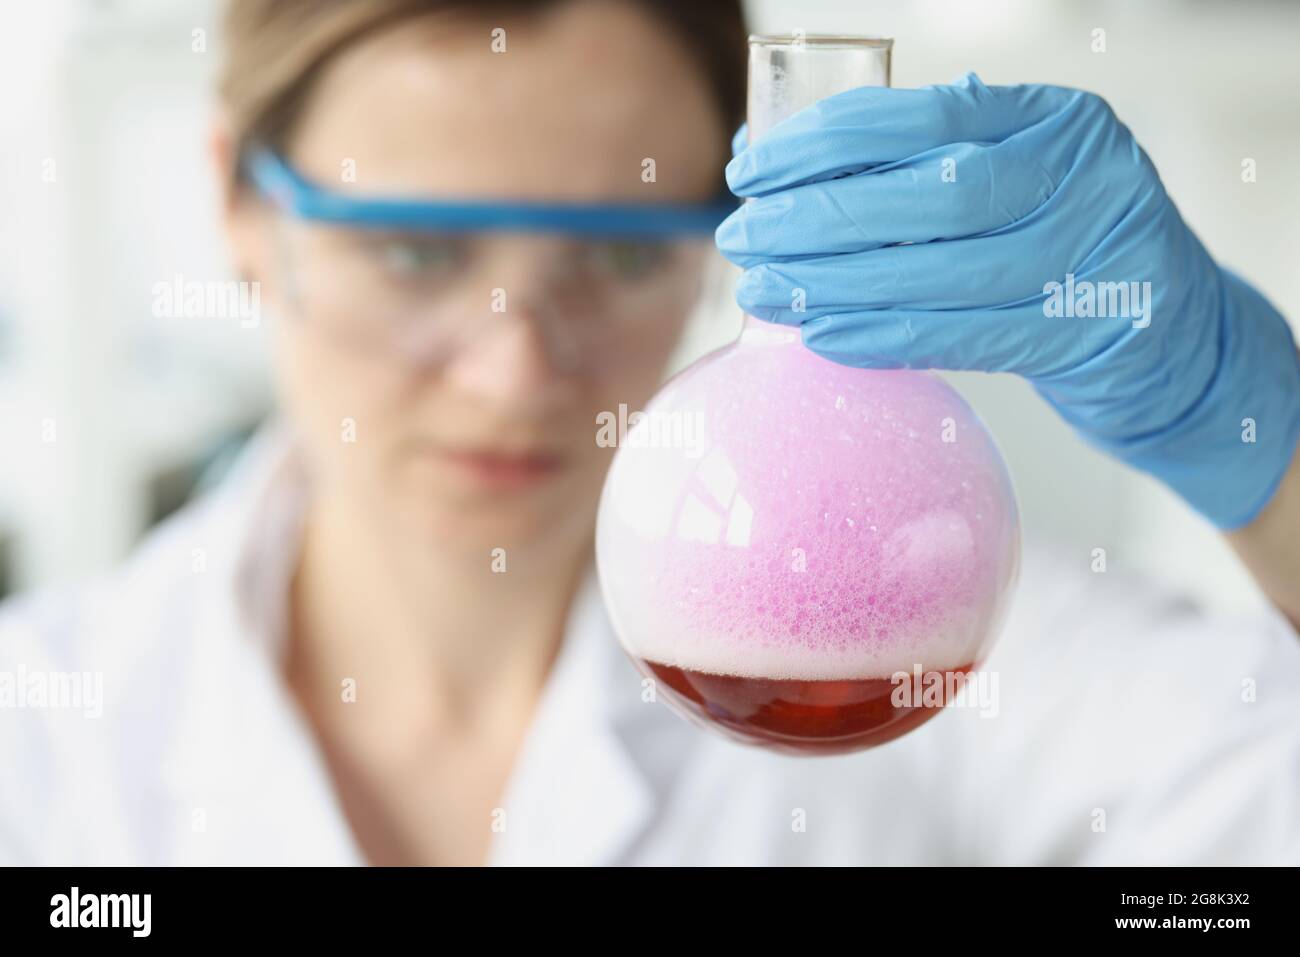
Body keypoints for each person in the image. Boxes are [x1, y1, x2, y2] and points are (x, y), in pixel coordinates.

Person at [0, 0, 1296, 866]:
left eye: (619, 259)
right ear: (236, 203)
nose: (516, 370)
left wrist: (1251, 424)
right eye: (412, 250)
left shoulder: (926, 648)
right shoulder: (45, 737)